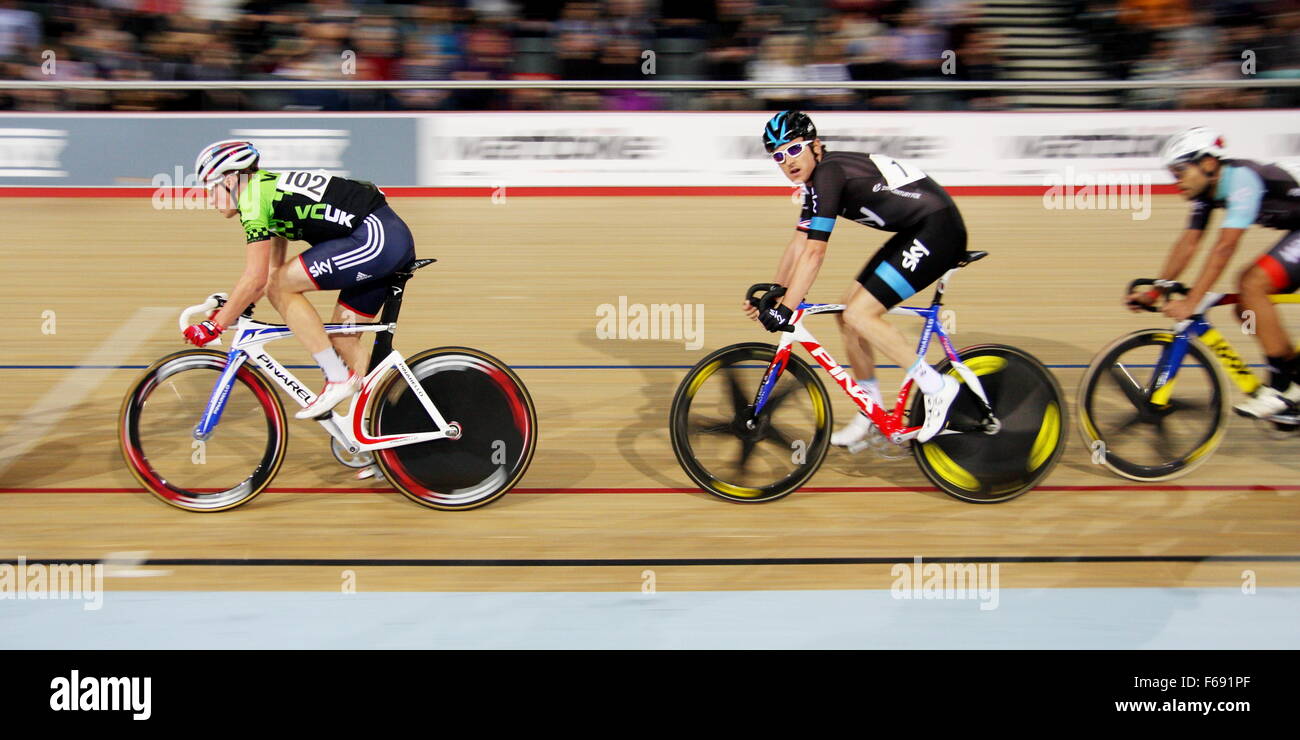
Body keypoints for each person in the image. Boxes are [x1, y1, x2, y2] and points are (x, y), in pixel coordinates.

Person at [744, 110, 965, 445]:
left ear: (815, 146)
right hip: (917, 229)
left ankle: (937, 386)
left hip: (937, 229)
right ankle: (872, 410)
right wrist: (777, 292)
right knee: (848, 317)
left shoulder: (828, 175)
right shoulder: (817, 181)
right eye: (778, 155)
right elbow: (800, 242)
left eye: (793, 149)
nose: (786, 161)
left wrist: (787, 307)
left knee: (860, 314)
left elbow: (816, 253)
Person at [184, 140, 416, 419]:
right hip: (381, 238)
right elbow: (269, 274)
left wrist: (214, 325)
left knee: (283, 287)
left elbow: (258, 280)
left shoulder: (253, 199)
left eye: (211, 190)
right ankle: (380, 430)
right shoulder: (266, 190)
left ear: (231, 180)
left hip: (376, 238)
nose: (209, 200)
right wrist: (234, 306)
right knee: (343, 338)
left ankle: (337, 377)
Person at [1127, 126, 1300, 419]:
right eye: (1172, 173)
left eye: (1180, 171)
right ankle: (1293, 380)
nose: (1176, 180)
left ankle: (1283, 391)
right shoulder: (1207, 191)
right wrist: (1158, 289)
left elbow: (1224, 248)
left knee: (1252, 283)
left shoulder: (1242, 180)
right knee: (1247, 308)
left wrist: (1192, 302)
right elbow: (1189, 242)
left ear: (1207, 163)